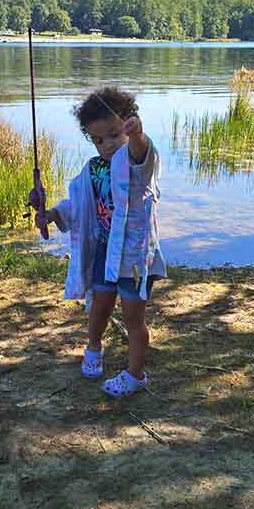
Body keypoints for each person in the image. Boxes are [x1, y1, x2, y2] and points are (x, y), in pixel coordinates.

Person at [45, 86, 166, 398]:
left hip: (135, 257)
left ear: (128, 124)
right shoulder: (93, 168)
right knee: (99, 305)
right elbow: (79, 203)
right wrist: (53, 213)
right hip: (104, 250)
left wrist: (137, 135)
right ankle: (93, 348)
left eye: (114, 134)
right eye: (98, 140)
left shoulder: (136, 160)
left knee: (133, 318)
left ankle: (135, 375)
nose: (108, 144)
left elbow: (143, 152)